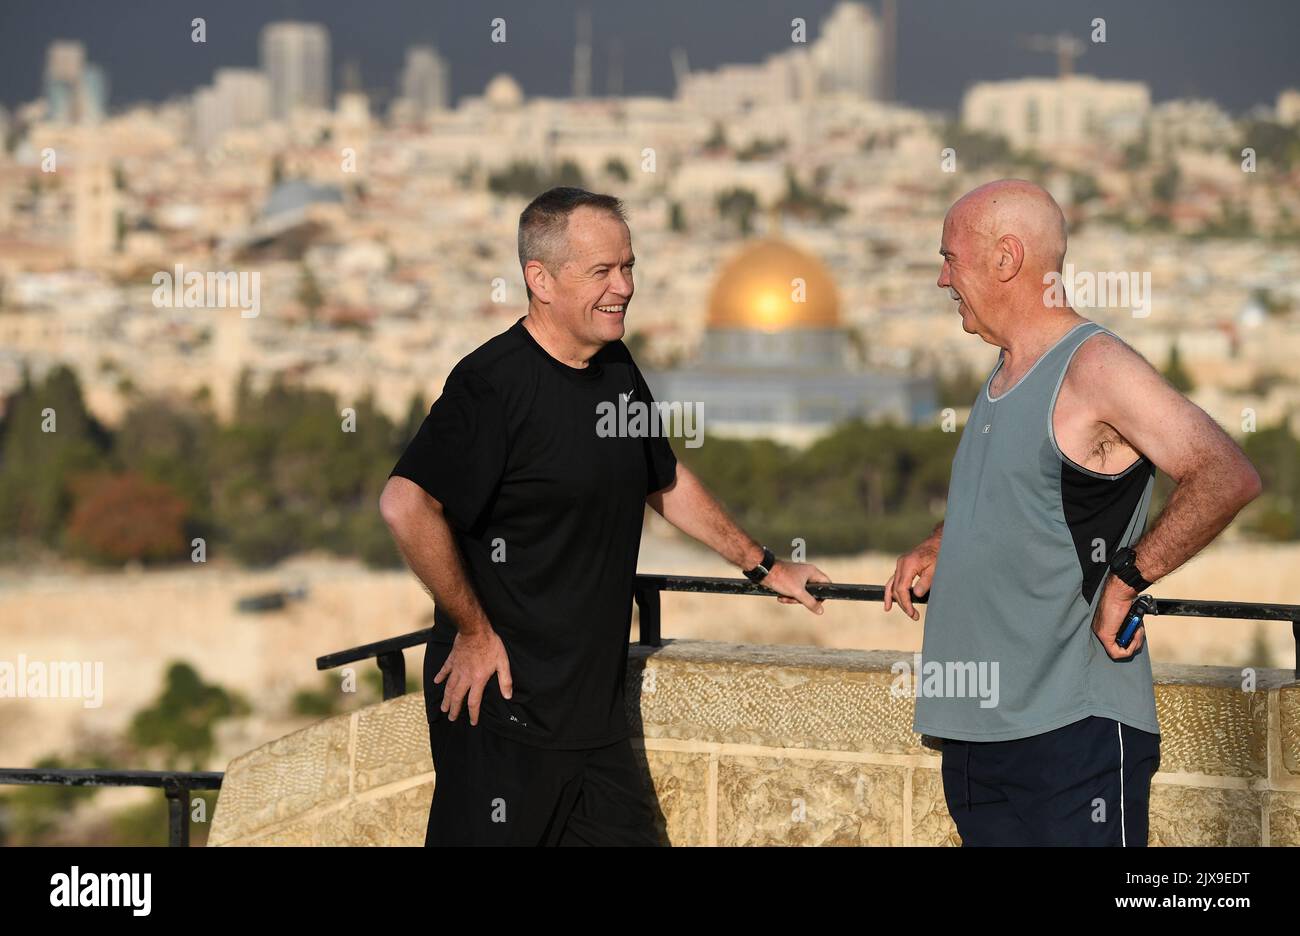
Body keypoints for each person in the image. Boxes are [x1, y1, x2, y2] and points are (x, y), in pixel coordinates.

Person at [380, 186, 831, 846]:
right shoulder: (493, 383)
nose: (623, 287)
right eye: (602, 272)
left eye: (628, 267)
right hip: (501, 712)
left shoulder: (615, 367)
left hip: (591, 720)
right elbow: (405, 502)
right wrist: (474, 630)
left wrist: (762, 565)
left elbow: (664, 479)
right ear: (540, 279)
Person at [884, 179, 1262, 846]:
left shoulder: (1094, 366)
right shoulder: (1003, 373)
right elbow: (1029, 499)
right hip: (978, 738)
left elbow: (1225, 474)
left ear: (1006, 259)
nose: (943, 279)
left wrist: (1127, 577)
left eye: (950, 258)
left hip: (1071, 739)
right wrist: (945, 543)